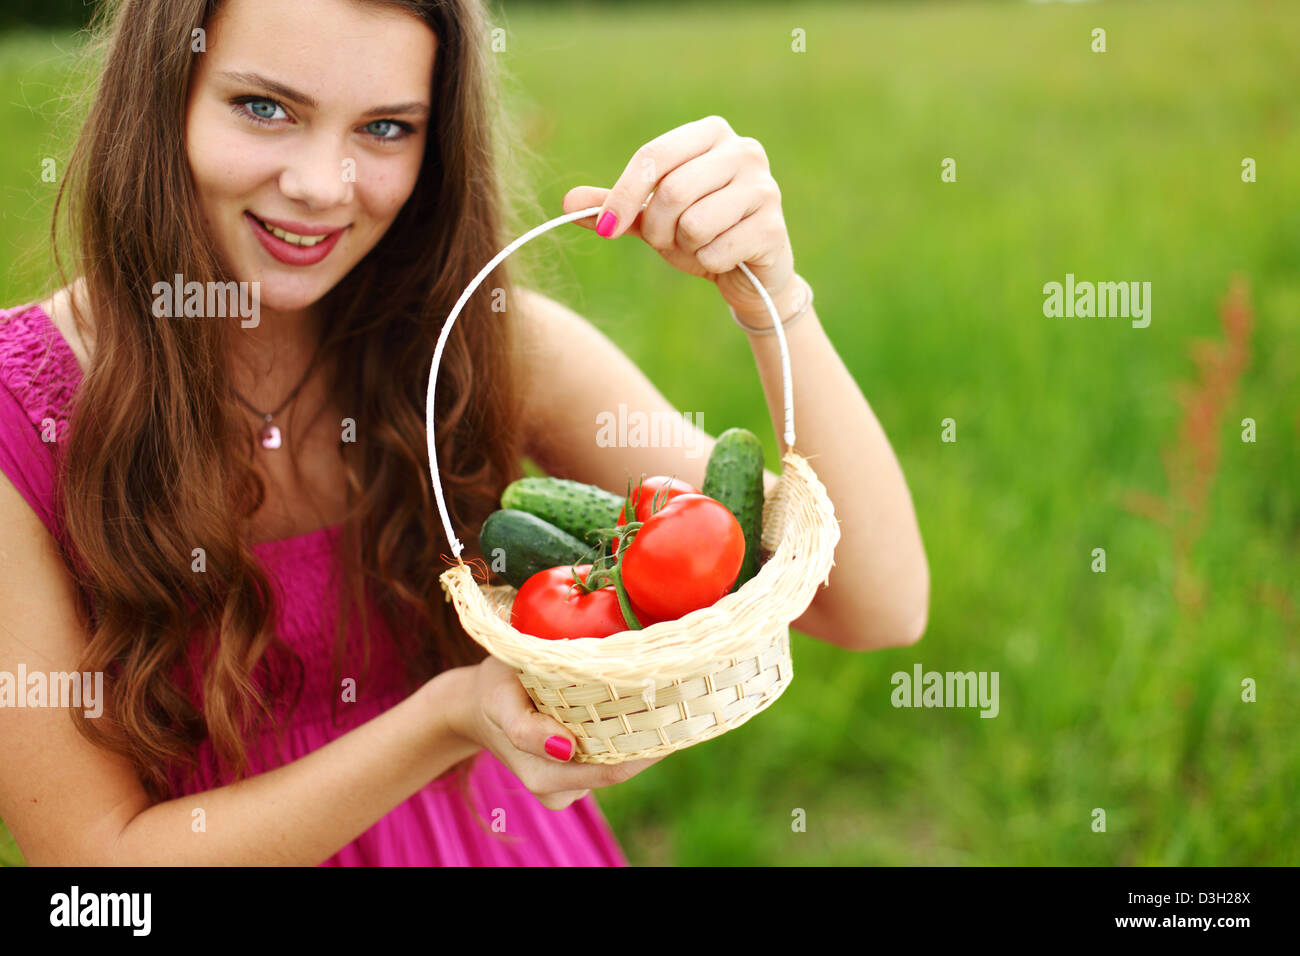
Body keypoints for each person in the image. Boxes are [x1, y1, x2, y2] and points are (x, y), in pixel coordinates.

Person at [0, 0, 929, 866]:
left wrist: (773, 294)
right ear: (162, 98)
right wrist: (446, 720)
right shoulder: (23, 415)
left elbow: (878, 607)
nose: (324, 185)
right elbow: (98, 865)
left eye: (386, 127)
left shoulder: (486, 346)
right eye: (263, 108)